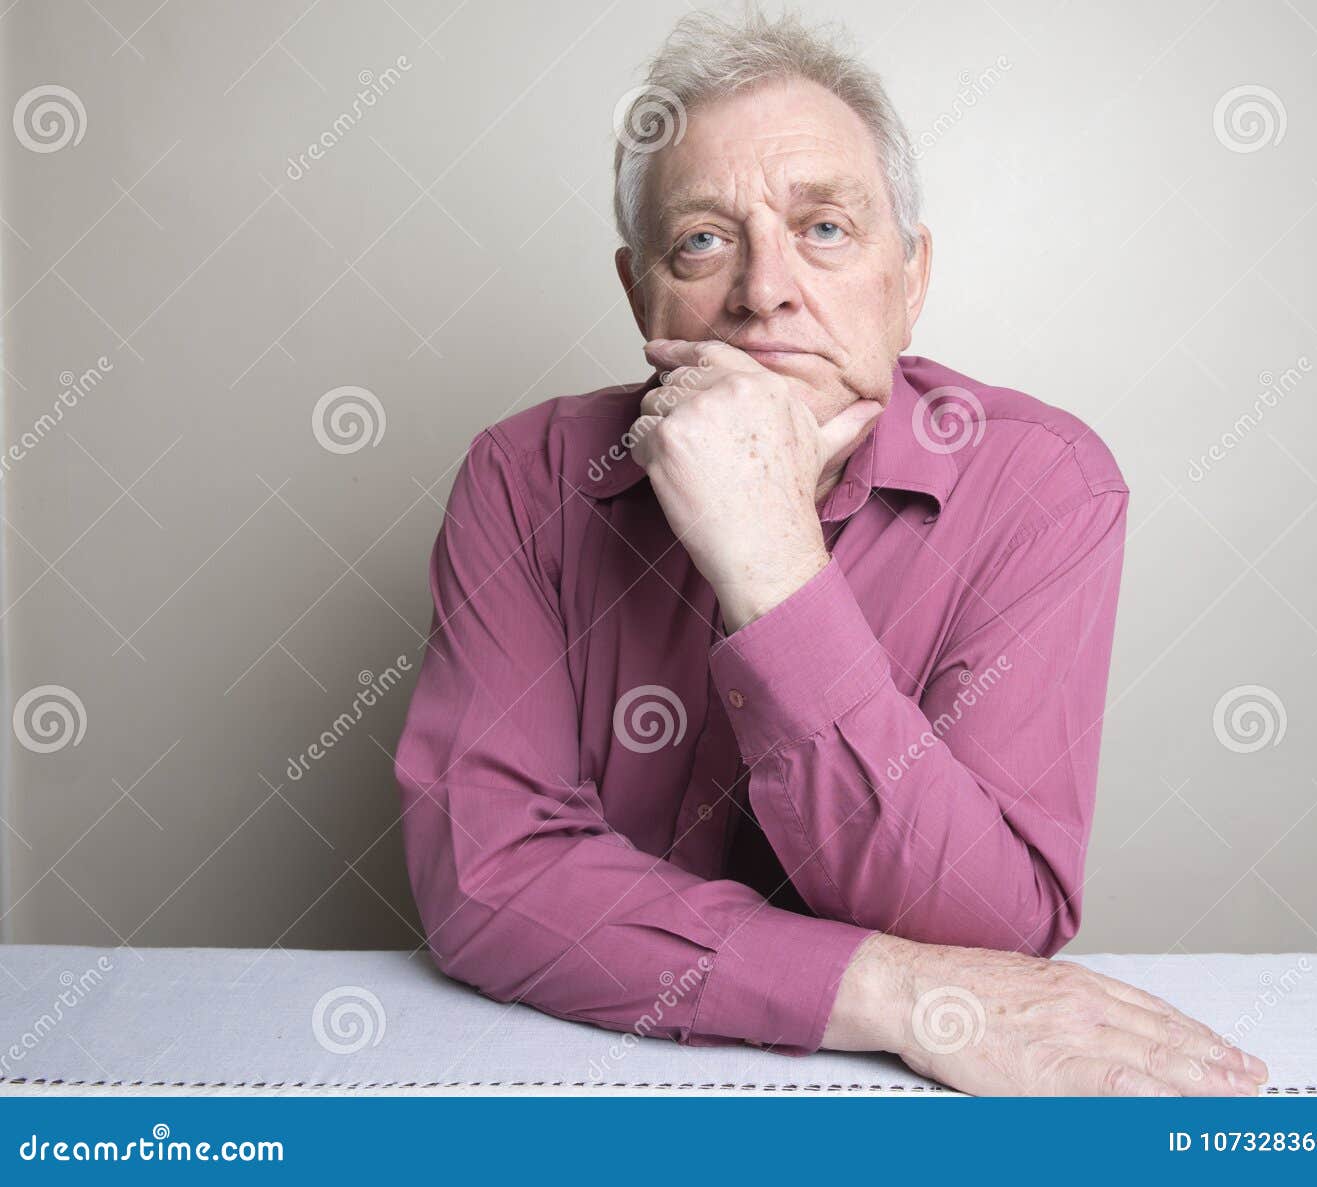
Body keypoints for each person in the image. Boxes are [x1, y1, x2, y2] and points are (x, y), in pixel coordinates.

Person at [394, 8, 1269, 1096]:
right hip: (576, 1076)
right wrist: (893, 992)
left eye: (823, 229)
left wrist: (772, 566)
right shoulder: (525, 478)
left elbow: (992, 928)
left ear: (909, 278)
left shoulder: (1044, 484)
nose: (763, 289)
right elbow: (489, 875)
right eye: (703, 239)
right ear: (639, 293)